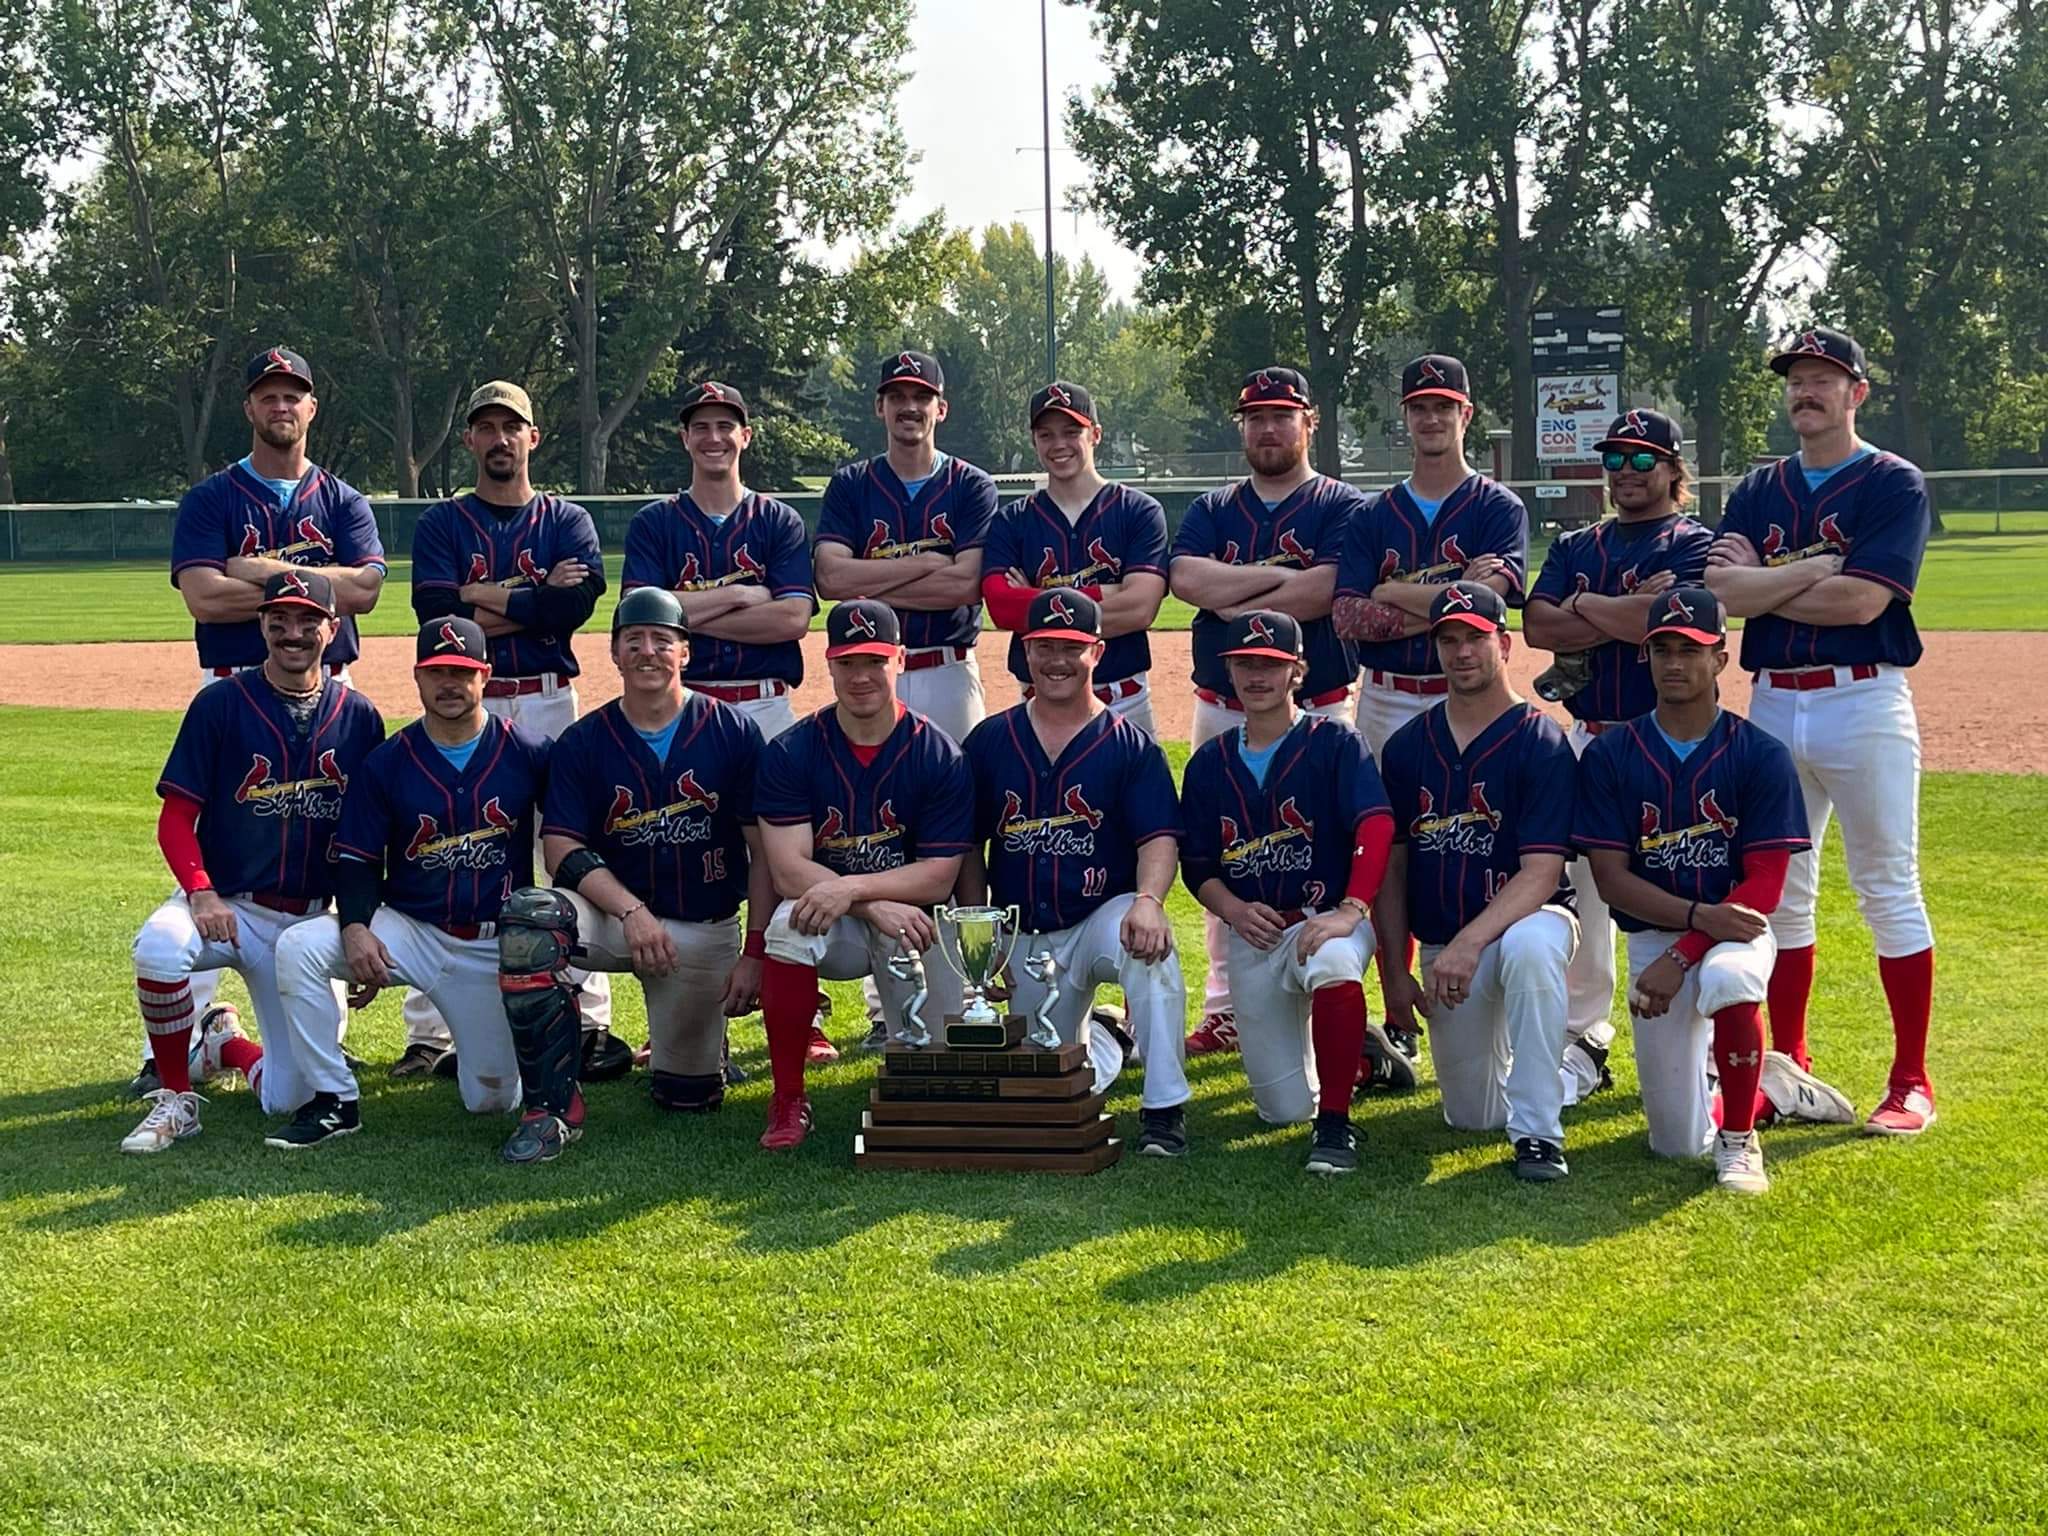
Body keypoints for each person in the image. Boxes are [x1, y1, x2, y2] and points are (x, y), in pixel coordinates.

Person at [1704, 325, 1936, 1136]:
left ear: (1856, 393)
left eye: (1823, 379)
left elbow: (1864, 602)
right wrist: (1805, 572)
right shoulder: (1761, 489)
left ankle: (1910, 1080)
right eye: (1797, 378)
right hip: (1772, 699)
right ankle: (1785, 1068)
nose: (1806, 390)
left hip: (1863, 699)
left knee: (1887, 889)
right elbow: (1721, 595)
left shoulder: (1891, 484)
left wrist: (1762, 585)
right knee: (1783, 897)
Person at [145, 346, 388, 1097]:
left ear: (312, 408)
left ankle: (240, 1036)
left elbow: (370, 592)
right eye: (269, 395)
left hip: (330, 690)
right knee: (228, 840)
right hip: (235, 689)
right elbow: (202, 598)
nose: (282, 406)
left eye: (295, 395)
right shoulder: (213, 499)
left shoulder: (343, 501)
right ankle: (182, 1043)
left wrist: (250, 572)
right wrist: (310, 594)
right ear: (250, 408)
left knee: (322, 836)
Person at [121, 571, 386, 1153]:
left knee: (289, 1096)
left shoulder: (359, 717)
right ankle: (173, 1098)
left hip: (304, 923)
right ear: (260, 625)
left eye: (307, 621)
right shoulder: (220, 703)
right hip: (226, 905)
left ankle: (224, 1044)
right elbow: (175, 819)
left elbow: (369, 839)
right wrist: (200, 891)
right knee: (161, 947)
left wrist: (360, 922)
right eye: (279, 621)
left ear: (332, 629)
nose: (293, 633)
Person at [398, 380, 616, 1081]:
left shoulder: (567, 520)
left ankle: (584, 1015)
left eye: (510, 426)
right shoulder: (440, 526)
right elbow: (436, 616)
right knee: (443, 846)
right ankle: (429, 1031)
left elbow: (573, 607)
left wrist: (480, 598)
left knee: (569, 845)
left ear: (533, 436)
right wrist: (534, 599)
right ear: (469, 440)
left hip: (549, 699)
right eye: (485, 427)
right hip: (464, 707)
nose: (499, 438)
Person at [271, 619, 551, 1153]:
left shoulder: (530, 751)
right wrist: (354, 927)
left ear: (485, 676)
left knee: (491, 1099)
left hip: (493, 943)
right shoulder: (387, 762)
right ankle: (334, 1100)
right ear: (417, 678)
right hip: (410, 929)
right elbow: (355, 858)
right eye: (436, 671)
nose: (449, 683)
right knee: (300, 947)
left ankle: (476, 1051)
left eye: (461, 671)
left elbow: (567, 836)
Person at [1573, 588, 1813, 1192]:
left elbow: (1765, 884)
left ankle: (1740, 1136)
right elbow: (1611, 880)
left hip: (1736, 930)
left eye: (1691, 649)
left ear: (1720, 660)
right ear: (1646, 657)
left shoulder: (1759, 754)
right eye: (1662, 650)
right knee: (1674, 1142)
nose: (1674, 663)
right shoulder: (1612, 753)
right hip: (1657, 935)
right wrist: (1681, 936)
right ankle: (1771, 1090)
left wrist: (1687, 951)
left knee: (1731, 978)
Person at [1332, 354, 1529, 1086]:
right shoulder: (1372, 513)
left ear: (1466, 415)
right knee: (1389, 850)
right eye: (1419, 406)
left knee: (1485, 838)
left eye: (1445, 406)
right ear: (1406, 418)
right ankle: (1396, 1003)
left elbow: (1493, 601)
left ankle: (1499, 996)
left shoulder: (1498, 506)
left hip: (1476, 701)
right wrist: (1452, 596)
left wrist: (1398, 589)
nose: (1431, 418)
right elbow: (1349, 614)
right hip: (1386, 695)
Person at [524, 587, 771, 1161]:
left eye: (663, 640)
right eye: (633, 640)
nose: (648, 651)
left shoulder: (732, 732)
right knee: (530, 921)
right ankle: (552, 1096)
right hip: (613, 920)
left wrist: (753, 951)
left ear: (685, 652)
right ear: (613, 653)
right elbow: (559, 843)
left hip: (700, 929)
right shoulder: (584, 740)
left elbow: (765, 854)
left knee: (687, 1095)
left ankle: (698, 1050)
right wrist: (630, 911)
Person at [1167, 367, 1363, 1060]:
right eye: (1256, 416)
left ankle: (1336, 993)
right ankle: (1224, 1006)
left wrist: (1237, 592)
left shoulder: (1343, 504)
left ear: (1309, 422)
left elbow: (1327, 592)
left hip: (1323, 707)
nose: (1269, 427)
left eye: (1282, 415)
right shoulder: (1214, 507)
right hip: (1223, 711)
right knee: (1227, 853)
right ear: (1240, 426)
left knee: (1332, 851)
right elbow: (1188, 580)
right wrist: (1283, 584)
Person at [959, 590, 1193, 1156]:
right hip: (1019, 931)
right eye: (1043, 647)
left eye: (1071, 647)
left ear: (1097, 652)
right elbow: (966, 847)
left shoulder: (1127, 745)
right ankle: (1109, 1037)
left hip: (1099, 921)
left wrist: (1149, 901)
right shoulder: (990, 741)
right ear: (1024, 651)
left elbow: (1158, 837)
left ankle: (1164, 1110)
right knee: (1036, 1085)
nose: (1056, 660)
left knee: (1151, 953)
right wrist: (978, 938)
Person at [1524, 409, 1713, 1099]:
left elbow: (1669, 626)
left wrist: (1589, 609)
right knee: (1587, 893)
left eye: (1641, 460)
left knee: (1682, 885)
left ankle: (1706, 1043)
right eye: (1614, 460)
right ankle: (1585, 1041)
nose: (1625, 473)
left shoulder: (1695, 542)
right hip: (1590, 735)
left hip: (1671, 742)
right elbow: (1539, 624)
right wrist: (1626, 608)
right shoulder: (1580, 542)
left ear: (1671, 468)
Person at [1374, 583, 1581, 1180]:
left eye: (1475, 637)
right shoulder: (1409, 746)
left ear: (1504, 644)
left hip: (1526, 921)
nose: (1462, 652)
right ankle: (1553, 1069)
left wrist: (1470, 943)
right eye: (1449, 640)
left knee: (1532, 948)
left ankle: (1540, 1133)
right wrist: (1394, 973)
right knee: (1472, 1117)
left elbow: (1542, 872)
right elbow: (1393, 867)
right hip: (1445, 951)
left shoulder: (1541, 741)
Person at [751, 600, 974, 1150]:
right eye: (848, 662)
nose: (861, 676)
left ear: (899, 659)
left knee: (933, 1066)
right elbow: (786, 869)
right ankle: (787, 1098)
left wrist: (852, 888)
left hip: (913, 923)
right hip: (845, 922)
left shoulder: (938, 754)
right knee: (786, 924)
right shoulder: (792, 751)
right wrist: (865, 900)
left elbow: (940, 877)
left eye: (874, 660)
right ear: (828, 664)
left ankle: (911, 1063)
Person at [1178, 611, 1392, 1174]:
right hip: (1255, 930)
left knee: (1335, 965)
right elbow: (1197, 861)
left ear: (1298, 670)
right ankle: (1365, 1061)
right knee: (1281, 1110)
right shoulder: (1209, 762)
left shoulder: (1336, 742)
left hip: (1325, 917)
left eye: (1271, 664)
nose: (1257, 676)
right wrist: (1231, 909)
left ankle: (1338, 1125)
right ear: (1227, 670)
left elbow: (1376, 825)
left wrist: (1351, 910)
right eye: (1245, 663)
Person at [813, 350, 998, 743]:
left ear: (941, 409)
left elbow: (965, 584)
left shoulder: (971, 485)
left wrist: (865, 580)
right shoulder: (851, 484)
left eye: (921, 397)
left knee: (959, 793)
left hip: (947, 669)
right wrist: (927, 562)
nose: (909, 407)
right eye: (897, 397)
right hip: (870, 673)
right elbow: (830, 579)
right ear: (880, 407)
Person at [620, 381, 816, 743]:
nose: (713, 437)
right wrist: (739, 595)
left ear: (746, 436)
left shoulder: (779, 521)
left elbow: (792, 619)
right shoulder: (654, 522)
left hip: (766, 706)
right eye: (701, 428)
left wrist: (677, 616)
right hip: (682, 703)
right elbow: (641, 617)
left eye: (725, 426)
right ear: (685, 438)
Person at [980, 383, 1169, 737]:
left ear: (1095, 434)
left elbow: (1141, 608)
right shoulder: (1013, 520)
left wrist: (1035, 604)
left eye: (1072, 431)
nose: (1059, 444)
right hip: (1037, 705)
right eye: (1046, 434)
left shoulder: (1139, 511)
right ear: (1034, 441)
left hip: (1123, 702)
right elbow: (1002, 607)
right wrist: (1108, 592)